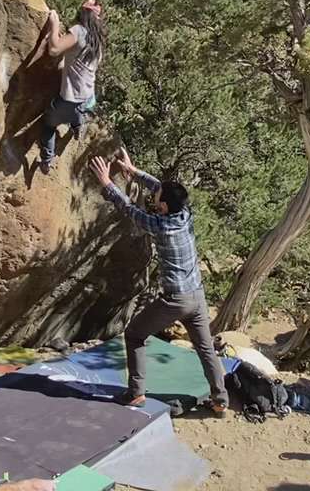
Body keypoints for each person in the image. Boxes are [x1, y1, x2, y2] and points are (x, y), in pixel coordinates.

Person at [88, 149, 229, 416]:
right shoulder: (184, 213)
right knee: (205, 348)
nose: (154, 196)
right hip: (197, 296)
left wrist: (107, 182)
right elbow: (160, 188)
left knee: (135, 334)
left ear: (162, 207)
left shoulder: (159, 225)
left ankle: (135, 393)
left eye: (157, 199)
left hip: (175, 300)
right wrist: (134, 172)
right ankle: (220, 399)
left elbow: (128, 209)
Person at [38, 0, 106, 174]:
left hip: (70, 99)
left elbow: (53, 50)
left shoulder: (78, 31)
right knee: (78, 114)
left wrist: (54, 22)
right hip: (89, 98)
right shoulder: (97, 41)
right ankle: (77, 127)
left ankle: (47, 160)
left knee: (48, 125)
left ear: (82, 13)